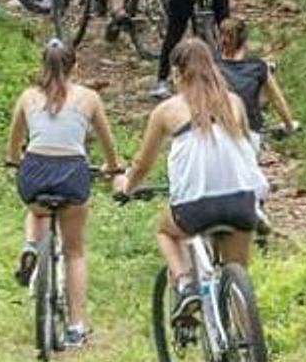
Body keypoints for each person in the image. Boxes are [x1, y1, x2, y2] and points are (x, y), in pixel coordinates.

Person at [112, 37, 268, 320]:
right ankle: (244, 340)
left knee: (165, 231)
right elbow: (245, 151)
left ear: (176, 73)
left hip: (195, 208)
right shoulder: (234, 103)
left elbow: (142, 165)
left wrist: (126, 184)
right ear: (213, 67)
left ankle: (184, 283)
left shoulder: (167, 111)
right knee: (239, 282)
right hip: (241, 201)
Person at [5, 38, 123, 350]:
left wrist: (16, 162)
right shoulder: (89, 98)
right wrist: (112, 168)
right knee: (75, 253)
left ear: (43, 64)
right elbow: (108, 146)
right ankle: (75, 327)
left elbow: (14, 146)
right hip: (72, 175)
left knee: (35, 208)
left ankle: (31, 245)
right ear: (75, 66)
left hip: (35, 172)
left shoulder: (28, 97)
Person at [217, 15, 300, 140]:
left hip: (218, 130)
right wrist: (289, 126)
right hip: (250, 131)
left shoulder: (210, 65)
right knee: (264, 79)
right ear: (245, 41)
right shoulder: (257, 66)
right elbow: (277, 100)